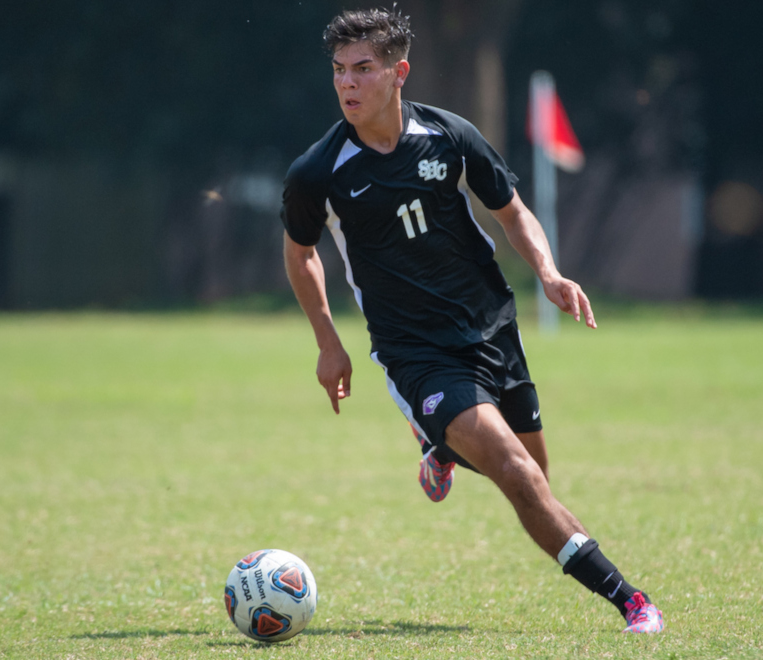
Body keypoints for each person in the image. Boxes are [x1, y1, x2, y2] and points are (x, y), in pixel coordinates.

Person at [279, 7, 664, 634]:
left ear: (399, 72)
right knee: (517, 475)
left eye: (363, 68)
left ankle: (440, 446)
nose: (347, 82)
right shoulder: (318, 172)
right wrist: (328, 342)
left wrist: (548, 273)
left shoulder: (449, 136)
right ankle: (632, 601)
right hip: (414, 352)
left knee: (536, 476)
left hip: (490, 327)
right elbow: (300, 254)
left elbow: (512, 212)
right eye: (339, 70)